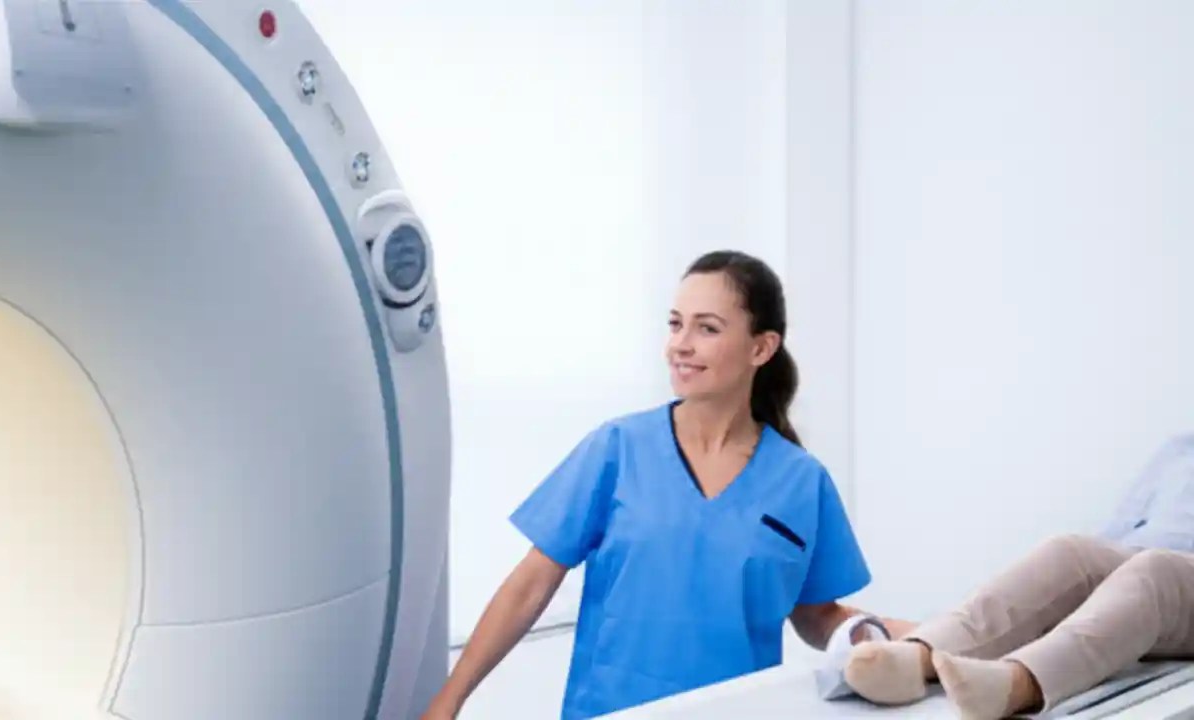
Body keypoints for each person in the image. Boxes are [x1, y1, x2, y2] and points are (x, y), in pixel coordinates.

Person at [422, 250, 913, 720]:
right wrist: (448, 703)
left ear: (761, 347)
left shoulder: (801, 481)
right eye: (676, 323)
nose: (681, 343)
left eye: (707, 328)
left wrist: (882, 637)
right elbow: (530, 584)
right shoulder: (617, 448)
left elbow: (815, 614)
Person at [842, 434, 1194, 720]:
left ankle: (1017, 685)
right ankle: (917, 657)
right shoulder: (1181, 449)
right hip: (1141, 561)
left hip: (1175, 575)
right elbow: (1117, 532)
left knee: (1154, 570)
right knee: (1069, 550)